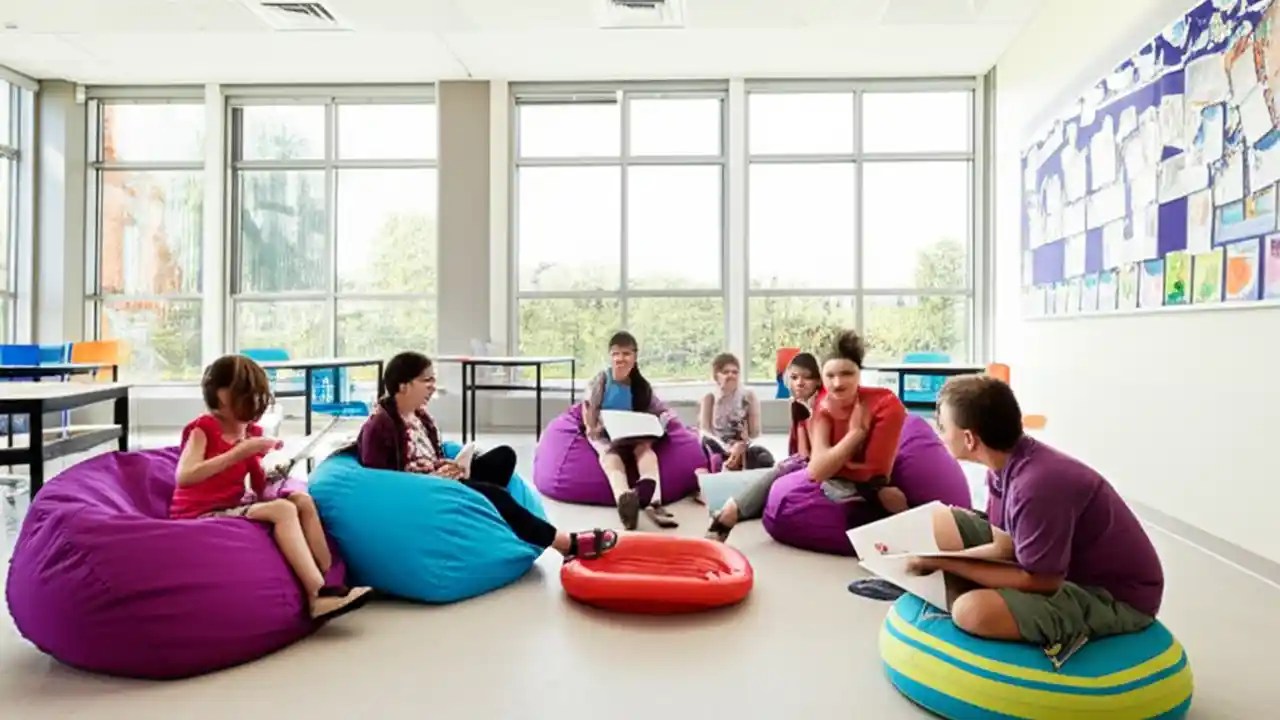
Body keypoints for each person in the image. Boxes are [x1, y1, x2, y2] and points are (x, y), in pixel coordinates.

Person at [888, 375, 1164, 652]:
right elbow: (1004, 547)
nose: (941, 435)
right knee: (939, 520)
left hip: (1115, 596)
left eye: (943, 428)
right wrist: (938, 560)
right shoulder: (1001, 468)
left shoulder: (1036, 485)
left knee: (970, 611)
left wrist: (948, 565)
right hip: (1058, 567)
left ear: (970, 438)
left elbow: (1043, 581)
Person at [357, 351, 617, 560]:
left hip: (439, 480)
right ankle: (565, 545)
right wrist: (435, 478)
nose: (433, 387)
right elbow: (381, 484)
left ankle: (489, 520)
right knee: (496, 494)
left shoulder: (420, 417)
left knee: (504, 456)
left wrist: (446, 465)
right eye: (427, 381)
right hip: (423, 493)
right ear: (403, 385)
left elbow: (427, 456)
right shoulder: (380, 426)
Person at [172, 355, 373, 622]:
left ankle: (330, 577)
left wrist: (274, 473)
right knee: (282, 510)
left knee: (300, 500)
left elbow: (258, 486)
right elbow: (185, 477)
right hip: (199, 512)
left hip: (230, 504)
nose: (255, 401)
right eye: (247, 394)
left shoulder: (251, 432)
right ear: (220, 395)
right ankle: (317, 596)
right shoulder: (205, 428)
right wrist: (239, 452)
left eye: (258, 395)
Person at [704, 352, 822, 542]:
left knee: (771, 464)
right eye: (794, 377)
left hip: (816, 467)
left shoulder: (819, 406)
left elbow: (806, 457)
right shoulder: (710, 397)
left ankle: (728, 515)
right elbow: (705, 431)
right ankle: (730, 509)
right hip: (722, 446)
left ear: (817, 381)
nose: (800, 383)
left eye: (807, 377)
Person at [582, 331, 679, 531]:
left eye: (626, 354)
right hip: (607, 435)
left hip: (633, 435)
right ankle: (624, 500)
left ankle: (653, 499)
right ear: (610, 356)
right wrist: (592, 427)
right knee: (610, 459)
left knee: (646, 453)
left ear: (635, 357)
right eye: (616, 354)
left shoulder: (641, 386)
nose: (620, 359)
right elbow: (588, 408)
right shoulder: (602, 381)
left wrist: (659, 425)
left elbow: (656, 411)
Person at [807, 330, 909, 515]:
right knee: (778, 474)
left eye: (847, 373)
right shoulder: (822, 403)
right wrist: (857, 433)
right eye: (830, 375)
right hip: (839, 483)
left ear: (859, 374)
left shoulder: (885, 404)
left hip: (867, 487)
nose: (838, 383)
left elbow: (876, 474)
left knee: (889, 498)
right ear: (821, 377)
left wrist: (833, 463)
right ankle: (735, 510)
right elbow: (817, 471)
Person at [698, 352, 774, 472]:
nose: (731, 375)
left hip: (742, 446)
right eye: (725, 372)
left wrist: (741, 445)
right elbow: (706, 432)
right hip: (719, 446)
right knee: (709, 456)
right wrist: (728, 449)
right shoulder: (710, 398)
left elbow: (755, 433)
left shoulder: (748, 396)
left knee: (764, 459)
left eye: (735, 372)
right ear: (716, 376)